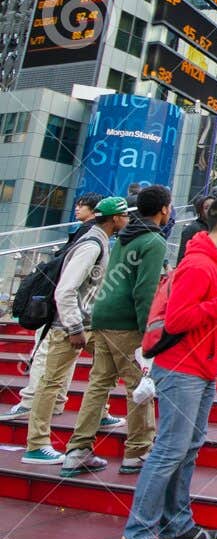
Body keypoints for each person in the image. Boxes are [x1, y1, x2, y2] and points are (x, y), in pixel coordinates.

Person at [119, 195, 217, 539]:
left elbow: (197, 315)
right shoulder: (199, 263)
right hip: (182, 367)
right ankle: (138, 534)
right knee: (169, 451)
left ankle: (176, 524)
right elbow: (177, 320)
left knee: (187, 447)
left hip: (201, 365)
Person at [60, 184, 172, 477]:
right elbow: (145, 290)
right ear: (164, 209)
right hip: (127, 322)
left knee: (98, 385)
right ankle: (138, 451)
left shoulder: (124, 237)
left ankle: (78, 450)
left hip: (102, 315)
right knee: (138, 386)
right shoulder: (154, 241)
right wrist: (149, 333)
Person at [22, 197, 131, 464]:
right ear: (115, 219)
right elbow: (66, 289)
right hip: (70, 326)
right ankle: (36, 444)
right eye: (125, 215)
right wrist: (73, 327)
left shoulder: (99, 241)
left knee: (108, 366)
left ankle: (100, 412)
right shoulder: (91, 245)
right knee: (51, 382)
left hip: (89, 323)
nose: (128, 219)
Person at [7, 193, 105, 423]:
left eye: (81, 206)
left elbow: (67, 284)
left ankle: (31, 402)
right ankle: (57, 402)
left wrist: (71, 318)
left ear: (94, 211)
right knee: (65, 360)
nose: (77, 209)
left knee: (44, 354)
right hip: (75, 312)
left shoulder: (88, 238)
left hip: (64, 311)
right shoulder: (91, 236)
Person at [176, 195, 211, 265]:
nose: (211, 210)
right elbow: (182, 258)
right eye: (206, 208)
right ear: (200, 211)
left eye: (215, 206)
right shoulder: (192, 229)